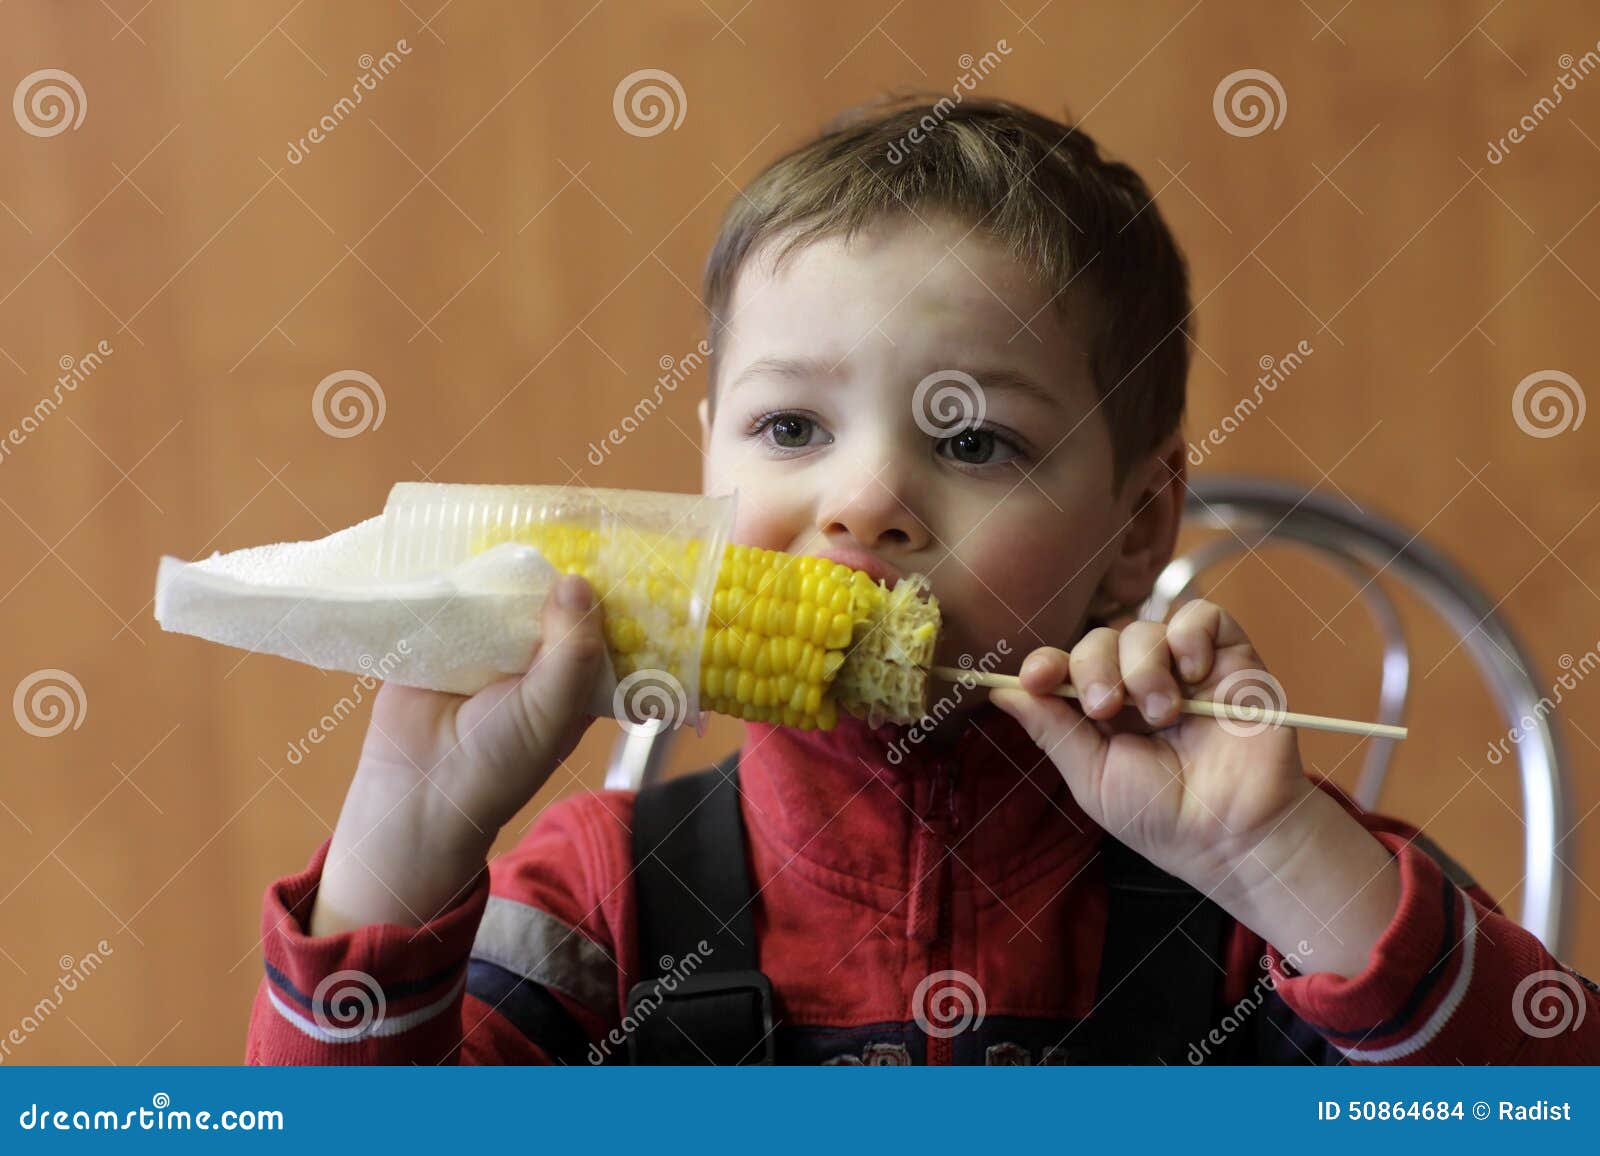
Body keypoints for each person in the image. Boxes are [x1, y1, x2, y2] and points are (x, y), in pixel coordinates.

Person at [246, 96, 1599, 1065]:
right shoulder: (597, 913)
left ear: (1138, 529)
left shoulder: (1266, 913)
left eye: (973, 441)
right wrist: (402, 844)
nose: (869, 502)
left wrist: (1280, 859)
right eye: (791, 429)